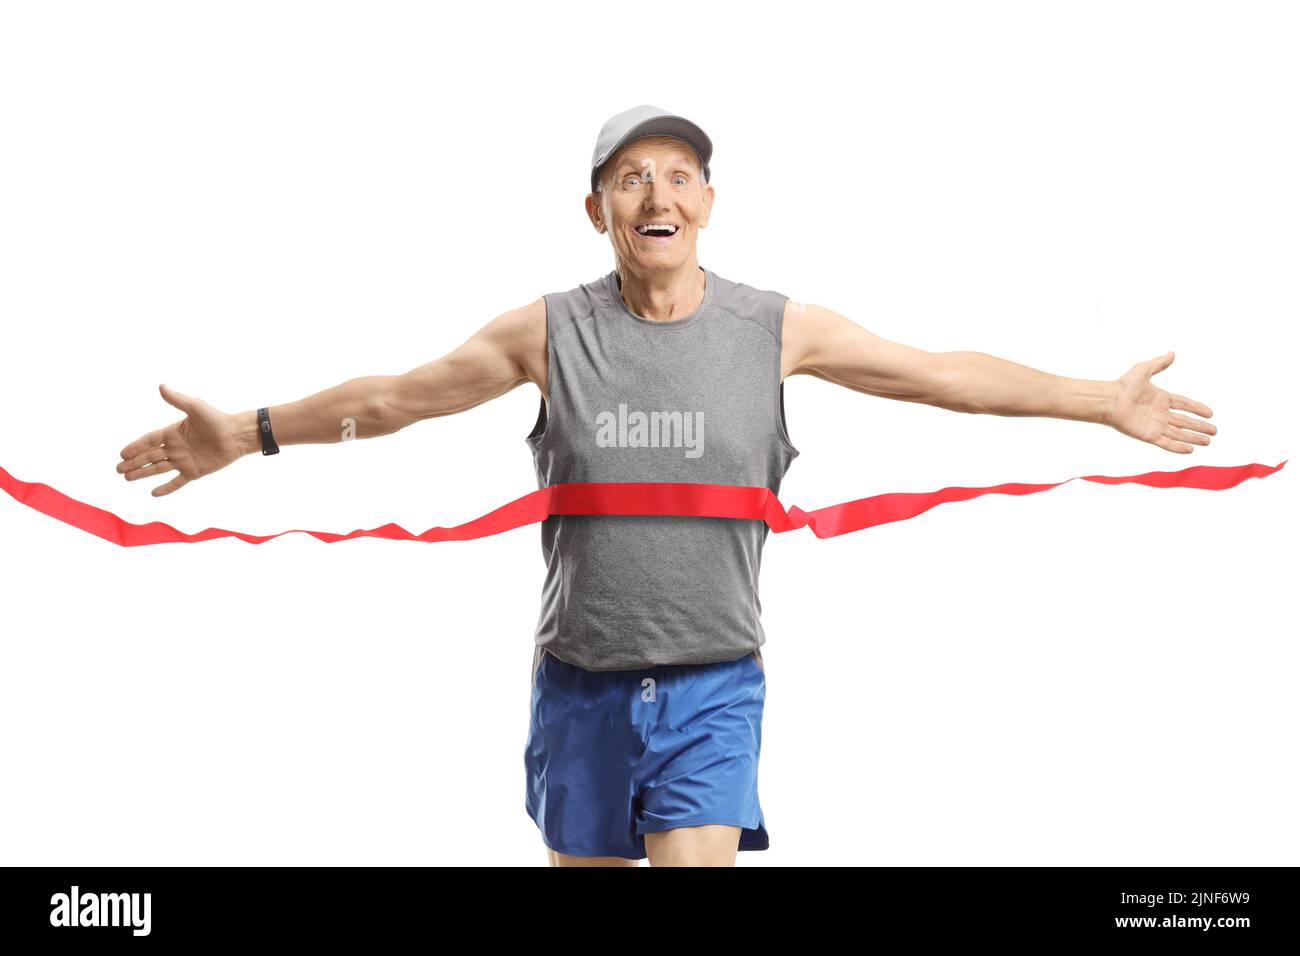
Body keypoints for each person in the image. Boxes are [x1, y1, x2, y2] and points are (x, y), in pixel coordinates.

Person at [115, 105, 1216, 867]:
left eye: (679, 173)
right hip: (581, 685)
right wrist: (250, 433)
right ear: (596, 209)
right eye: (630, 175)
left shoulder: (775, 329)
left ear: (708, 201)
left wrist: (1097, 399)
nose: (658, 192)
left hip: (712, 689)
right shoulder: (547, 333)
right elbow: (398, 397)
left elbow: (944, 376)